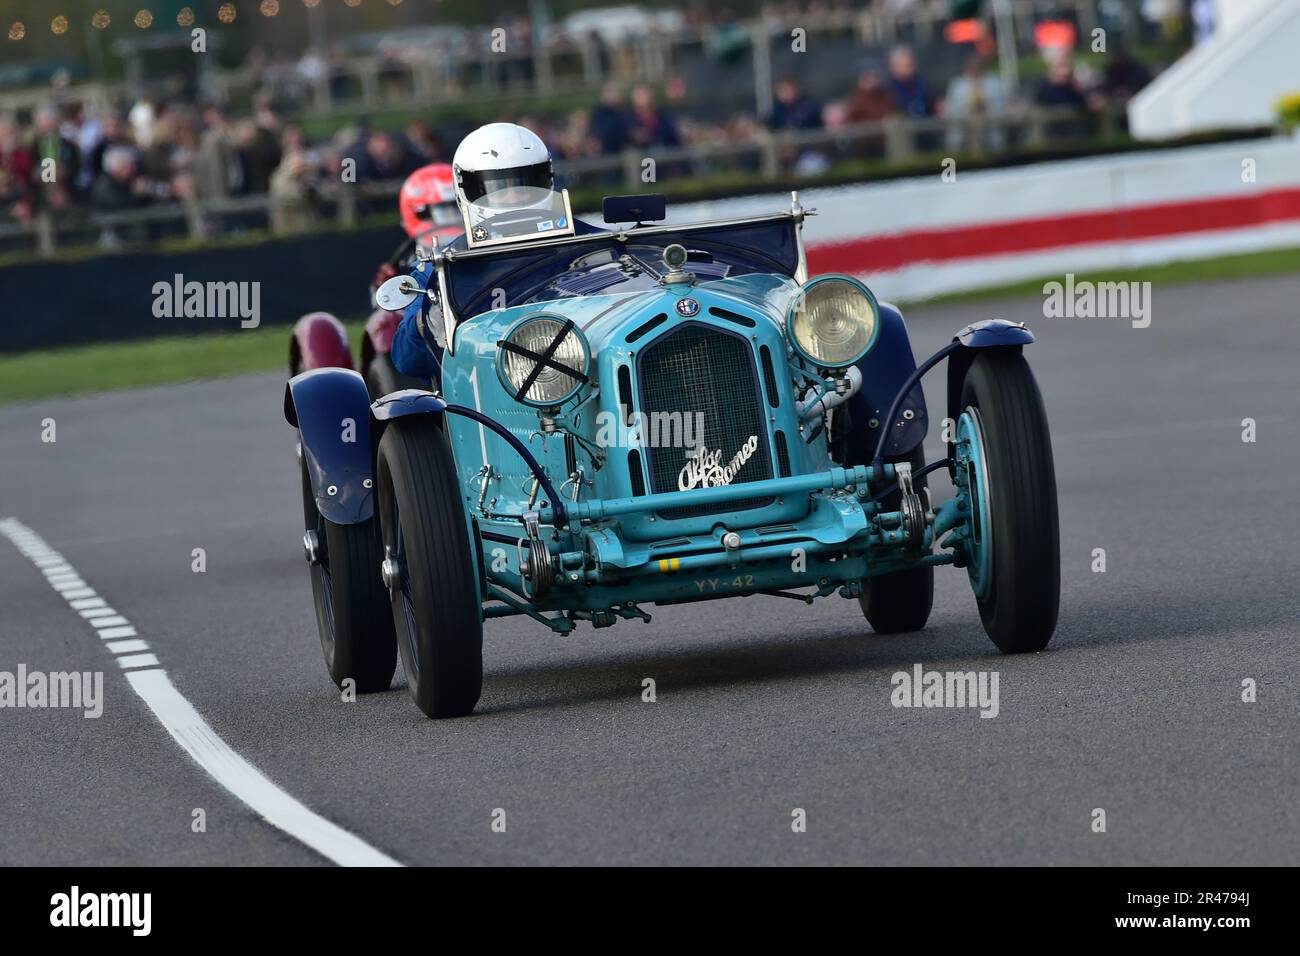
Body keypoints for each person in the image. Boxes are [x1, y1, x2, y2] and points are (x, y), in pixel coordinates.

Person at [389, 123, 603, 381]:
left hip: (592, 375)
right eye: (500, 190)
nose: (514, 200)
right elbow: (407, 361)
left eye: (524, 186)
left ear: (546, 180)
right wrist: (428, 317)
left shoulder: (594, 241)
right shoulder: (443, 265)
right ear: (466, 188)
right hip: (489, 394)